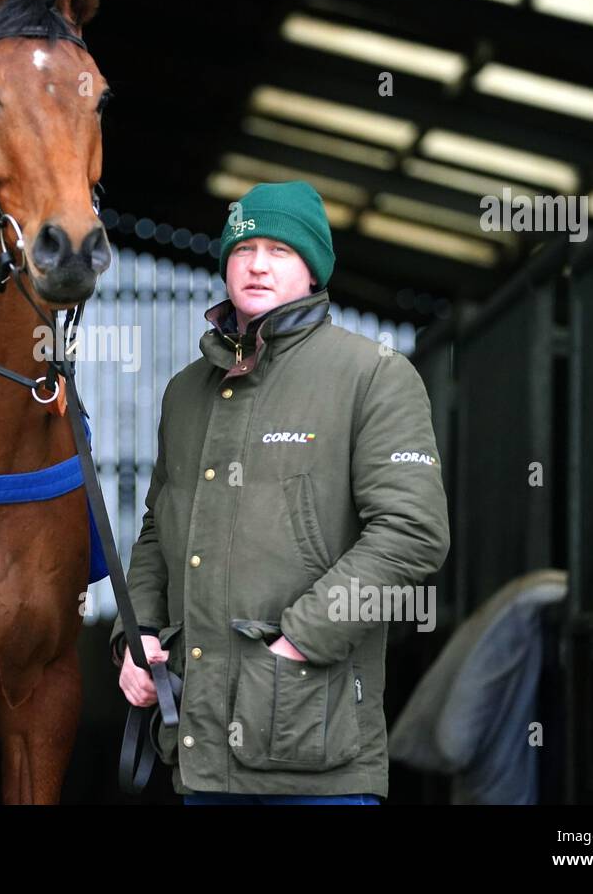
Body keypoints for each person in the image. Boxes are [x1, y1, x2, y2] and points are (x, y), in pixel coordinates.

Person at [111, 180, 450, 805]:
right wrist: (139, 634)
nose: (258, 264)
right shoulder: (186, 392)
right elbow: (158, 528)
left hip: (316, 750)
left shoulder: (372, 374)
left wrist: (297, 642)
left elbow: (412, 534)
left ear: (313, 268)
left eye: (280, 250)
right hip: (200, 749)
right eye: (244, 249)